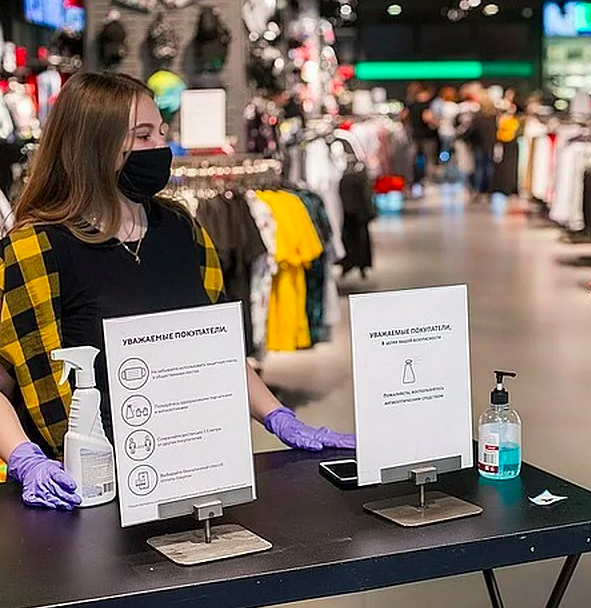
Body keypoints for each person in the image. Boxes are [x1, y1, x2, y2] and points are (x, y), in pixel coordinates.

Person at [0, 72, 354, 511]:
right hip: (85, 489)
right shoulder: (36, 247)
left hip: (193, 473)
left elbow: (217, 352)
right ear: (94, 145)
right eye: (142, 135)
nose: (160, 148)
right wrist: (24, 458)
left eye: (161, 133)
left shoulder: (182, 228)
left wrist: (279, 417)